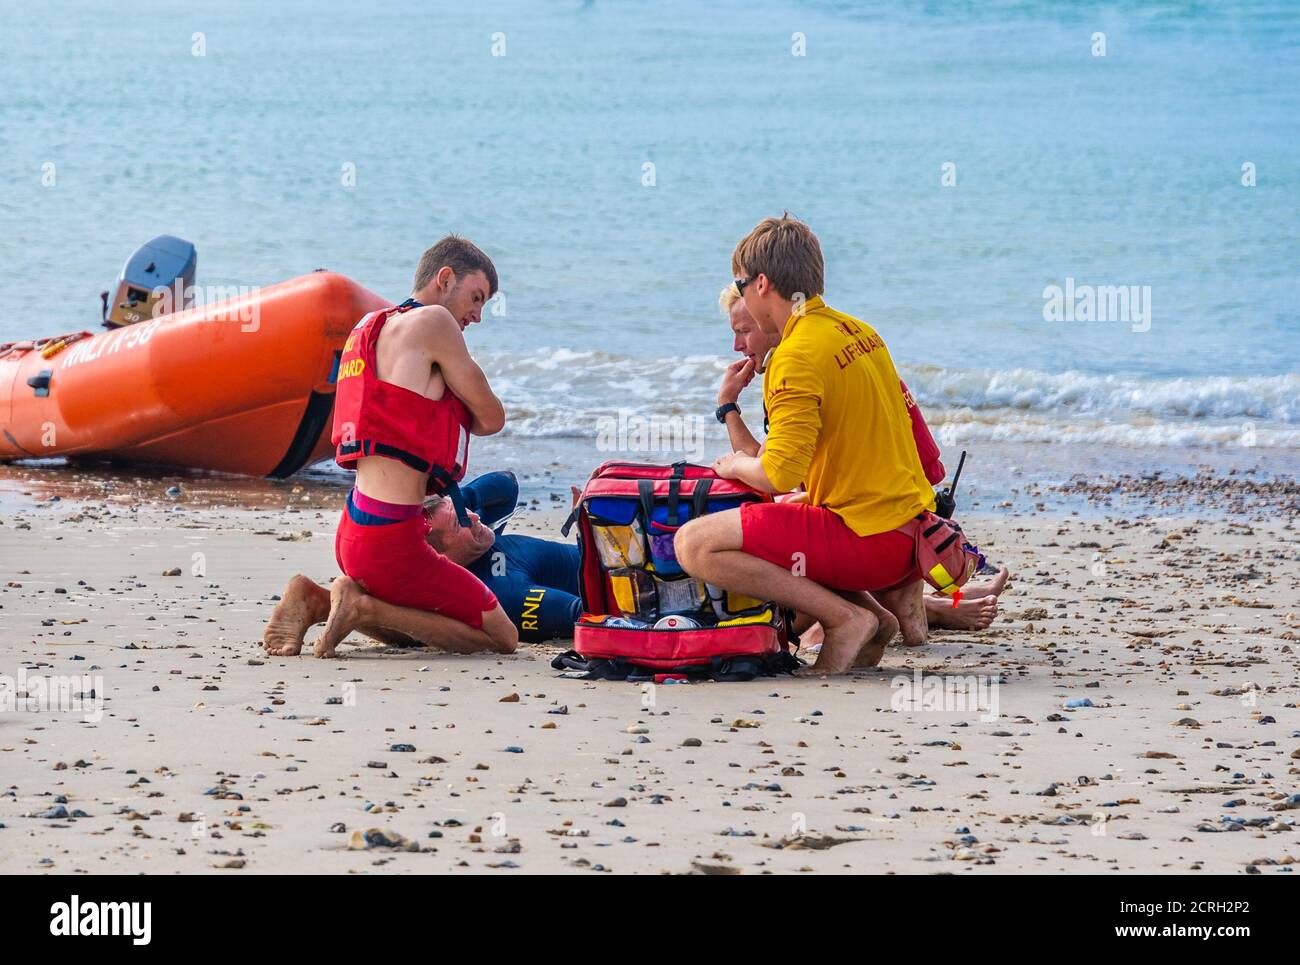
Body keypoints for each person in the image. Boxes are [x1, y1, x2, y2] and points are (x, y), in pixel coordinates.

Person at [673, 214, 939, 675]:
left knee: (695, 544)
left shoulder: (795, 355)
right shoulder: (859, 331)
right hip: (909, 535)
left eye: (740, 282)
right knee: (792, 513)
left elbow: (778, 474)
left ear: (761, 283)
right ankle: (873, 618)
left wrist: (734, 465)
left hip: (871, 543)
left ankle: (845, 618)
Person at [265, 236, 518, 658]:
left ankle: (319, 600)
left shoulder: (372, 326)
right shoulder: (436, 323)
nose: (476, 315)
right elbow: (492, 418)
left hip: (353, 528)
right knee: (502, 639)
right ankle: (356, 605)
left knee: (424, 620)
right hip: (391, 544)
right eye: (476, 298)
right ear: (445, 278)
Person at [713, 284, 1009, 638]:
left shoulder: (796, 363)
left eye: (744, 330)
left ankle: (911, 610)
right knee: (801, 511)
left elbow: (770, 471)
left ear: (768, 320)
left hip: (873, 532)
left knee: (782, 603)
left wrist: (728, 407)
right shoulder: (851, 338)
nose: (738, 345)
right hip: (915, 520)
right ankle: (932, 607)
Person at [263, 472, 585, 655]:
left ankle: (321, 601)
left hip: (608, 561)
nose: (475, 518)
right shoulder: (505, 590)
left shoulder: (472, 533)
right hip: (610, 575)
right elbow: (579, 613)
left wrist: (454, 504)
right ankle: (356, 605)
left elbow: (506, 485)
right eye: (462, 522)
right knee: (489, 641)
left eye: (463, 510)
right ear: (439, 557)